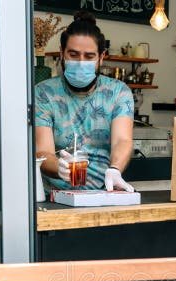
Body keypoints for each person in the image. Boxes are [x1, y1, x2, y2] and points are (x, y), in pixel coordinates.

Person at [35, 11, 135, 194]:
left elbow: (122, 140)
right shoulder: (43, 93)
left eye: (89, 57)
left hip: (105, 191)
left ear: (101, 58)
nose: (81, 63)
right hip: (54, 196)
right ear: (62, 53)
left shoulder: (118, 92)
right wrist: (59, 168)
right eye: (73, 55)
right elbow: (43, 151)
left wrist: (115, 169)